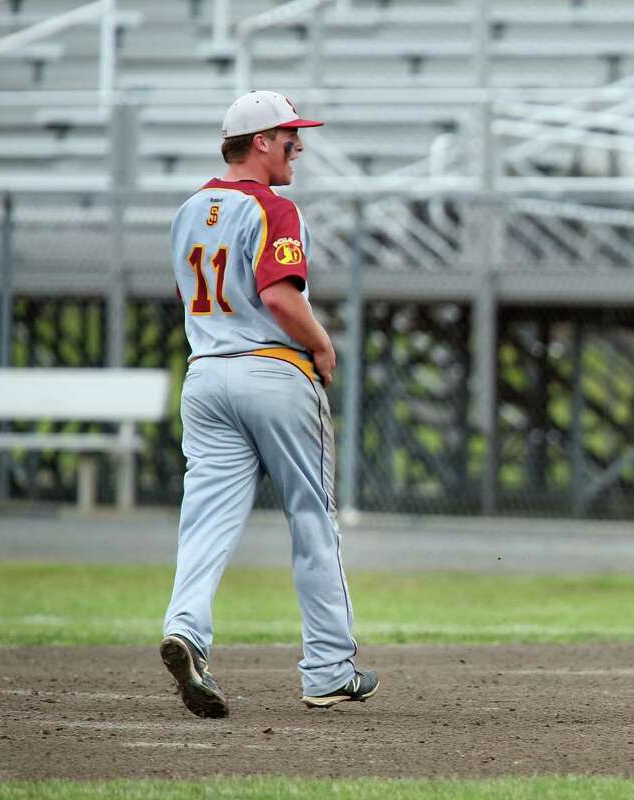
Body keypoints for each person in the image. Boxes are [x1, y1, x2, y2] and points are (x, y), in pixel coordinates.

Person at [160, 91, 377, 716]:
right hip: (272, 370)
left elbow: (192, 295)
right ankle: (329, 668)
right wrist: (323, 344)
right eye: (289, 136)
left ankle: (186, 631)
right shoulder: (274, 207)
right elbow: (280, 298)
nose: (298, 147)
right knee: (312, 515)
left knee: (205, 523)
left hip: (206, 376)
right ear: (260, 141)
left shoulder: (187, 209)